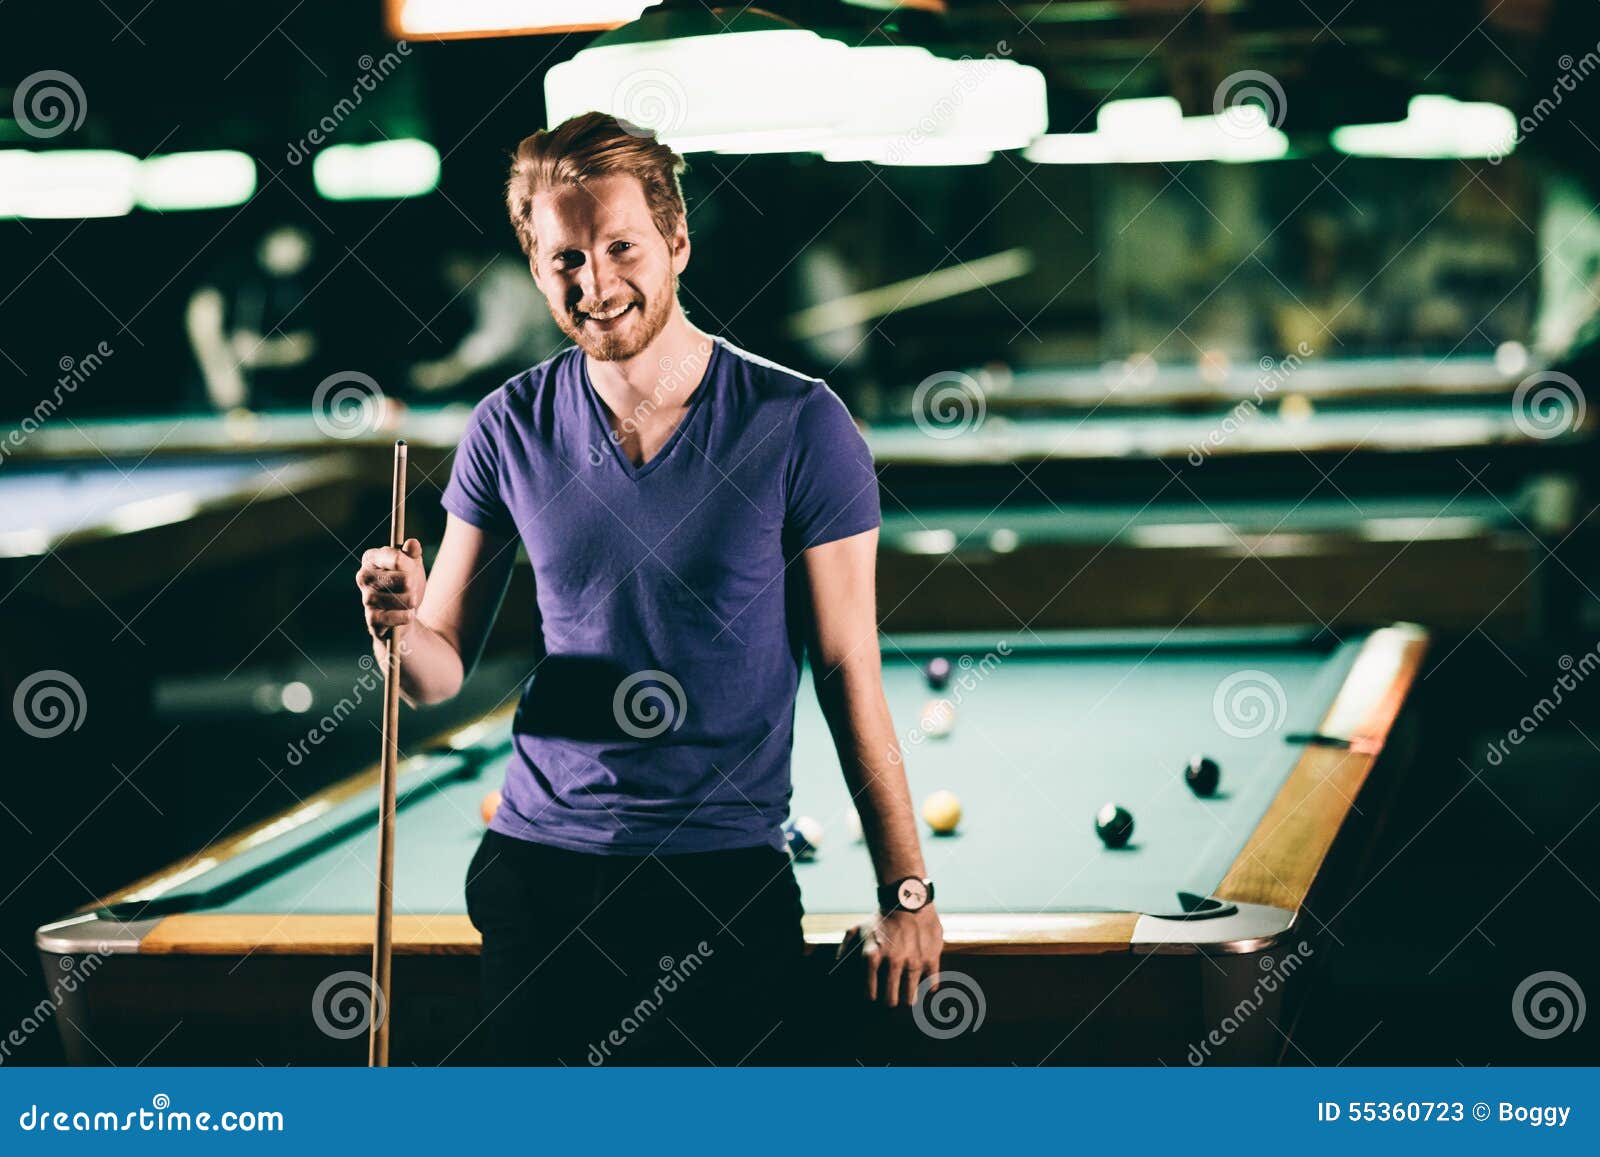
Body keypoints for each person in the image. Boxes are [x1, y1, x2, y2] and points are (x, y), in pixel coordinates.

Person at [355, 112, 942, 1065]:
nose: (595, 283)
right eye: (566, 259)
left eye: (620, 246)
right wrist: (394, 624)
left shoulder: (801, 424)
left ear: (676, 241)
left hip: (723, 878)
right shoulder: (506, 427)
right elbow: (435, 672)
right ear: (536, 266)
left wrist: (904, 889)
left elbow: (848, 670)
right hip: (540, 875)